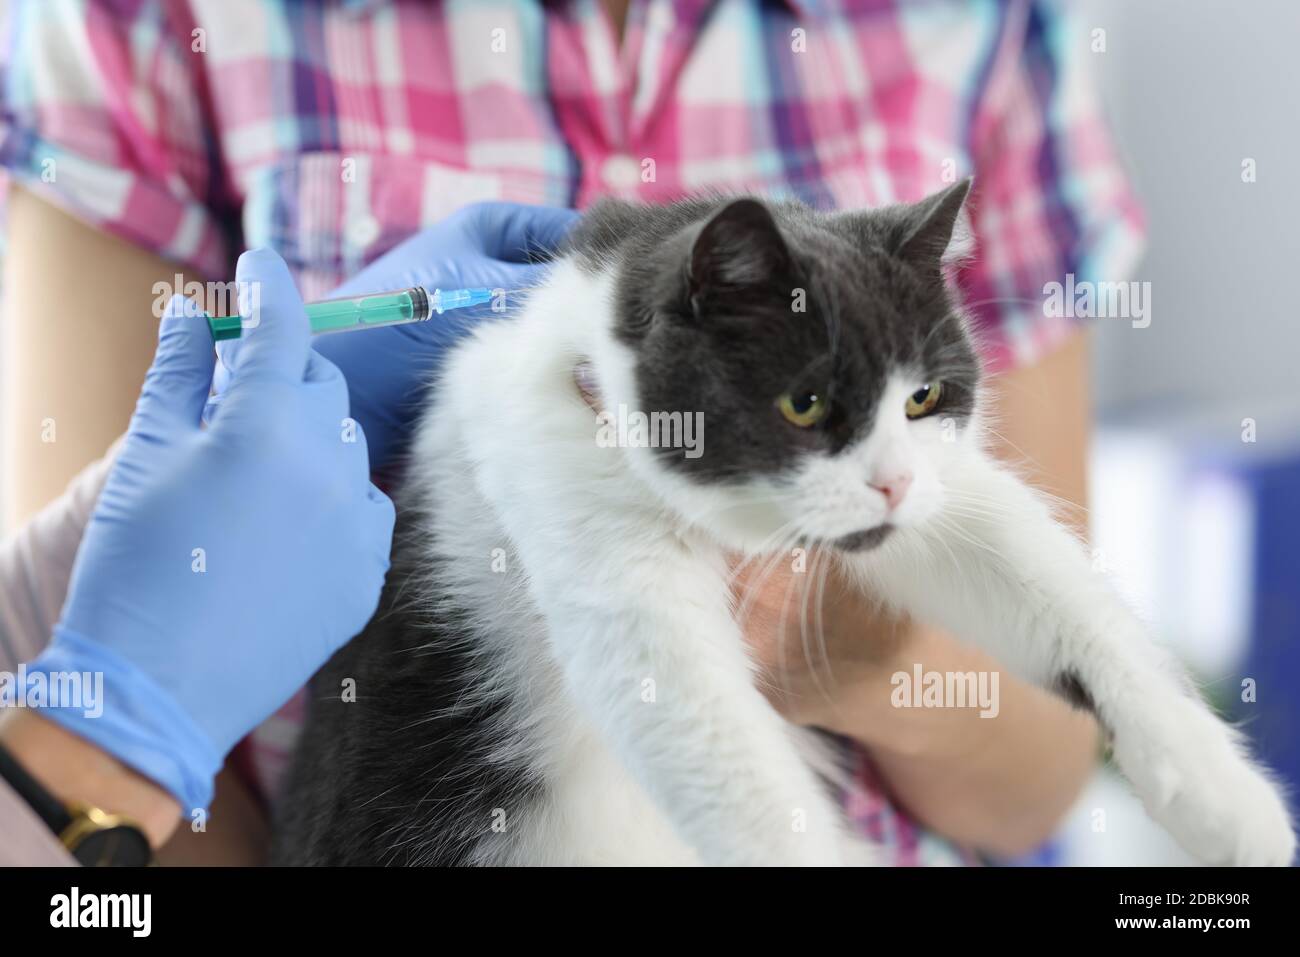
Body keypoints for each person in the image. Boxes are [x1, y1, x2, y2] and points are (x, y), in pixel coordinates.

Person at [1, 0, 1141, 863]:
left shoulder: (986, 26)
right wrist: (113, 724)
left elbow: (1041, 769)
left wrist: (883, 656)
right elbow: (48, 672)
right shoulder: (148, 23)